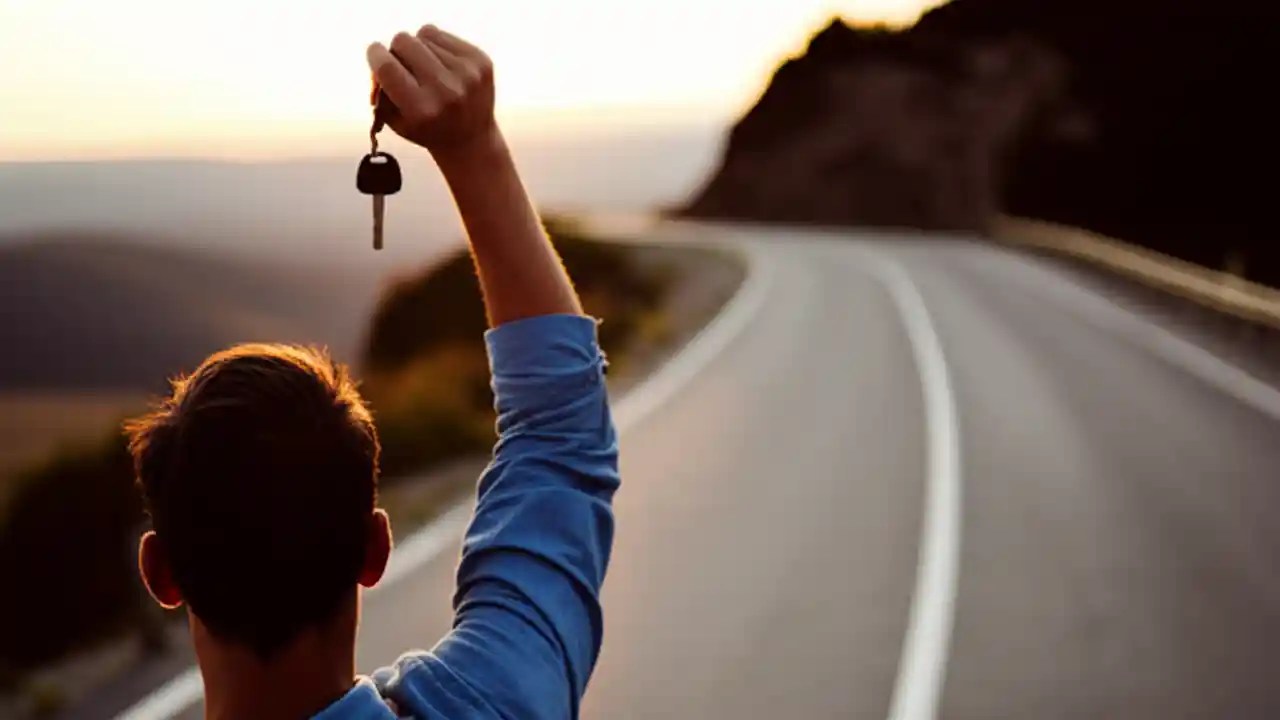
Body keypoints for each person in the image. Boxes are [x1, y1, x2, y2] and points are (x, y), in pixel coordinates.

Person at [125, 24, 619, 719]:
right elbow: (561, 435)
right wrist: (476, 149)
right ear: (374, 550)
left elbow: (561, 434)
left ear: (160, 572)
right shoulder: (492, 702)